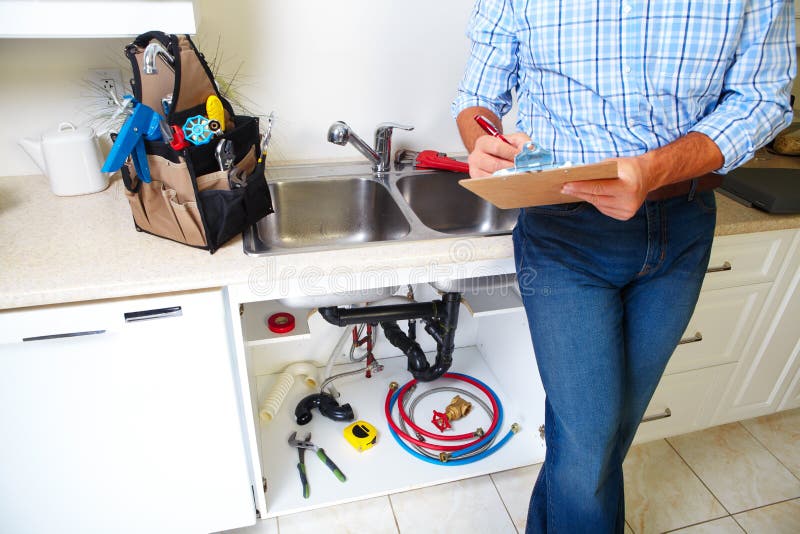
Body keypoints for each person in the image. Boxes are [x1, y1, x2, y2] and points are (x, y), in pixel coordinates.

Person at [452, 1, 795, 532]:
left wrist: (653, 170)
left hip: (684, 225)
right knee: (589, 444)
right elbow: (477, 99)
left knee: (605, 437)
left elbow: (762, 99)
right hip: (564, 232)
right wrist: (484, 142)